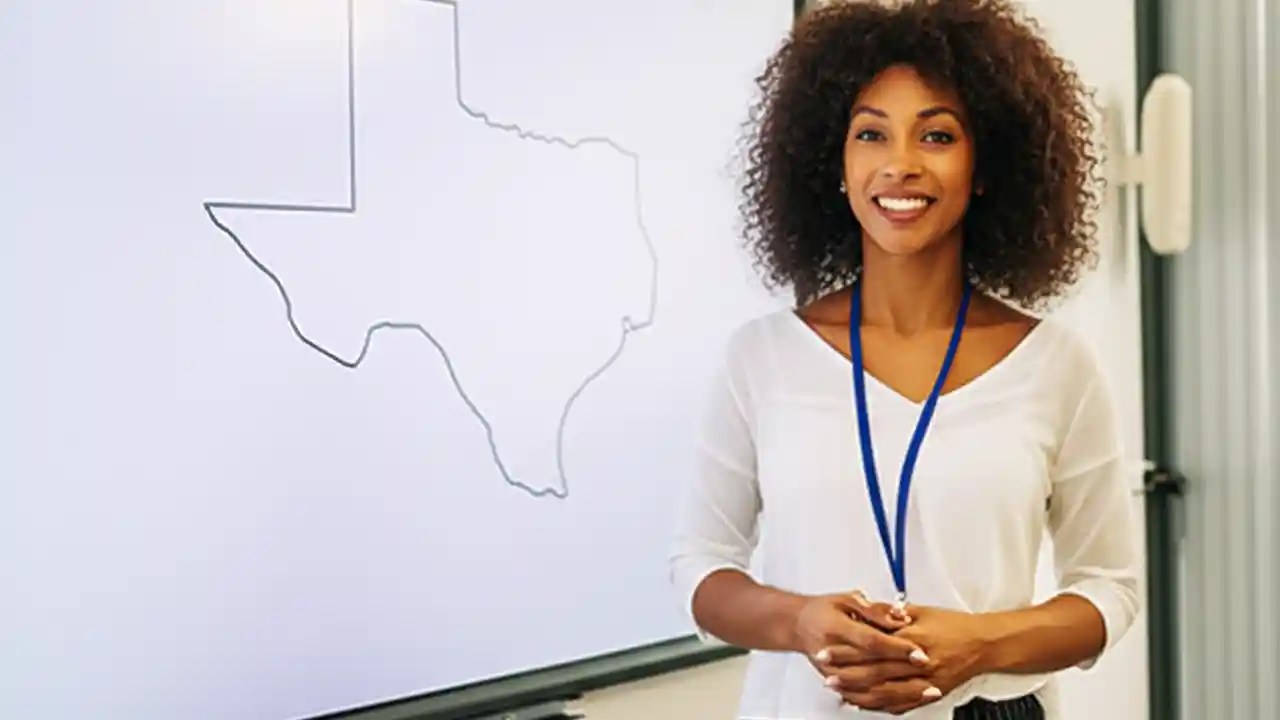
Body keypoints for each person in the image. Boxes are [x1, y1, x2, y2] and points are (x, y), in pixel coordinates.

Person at [668, 1, 1141, 718]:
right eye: (871, 134)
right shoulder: (761, 359)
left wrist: (980, 644)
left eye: (938, 135)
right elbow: (701, 567)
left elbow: (1112, 588)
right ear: (835, 161)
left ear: (985, 167)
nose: (900, 165)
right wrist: (798, 621)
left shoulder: (1057, 365)